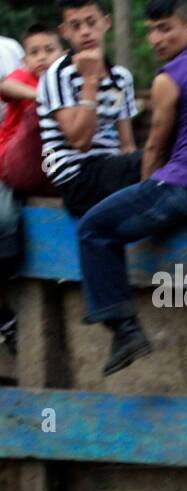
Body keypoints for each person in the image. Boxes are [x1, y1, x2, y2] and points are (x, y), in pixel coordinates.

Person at [75, 0, 187, 376]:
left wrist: (145, 192)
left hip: (185, 188)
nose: (156, 38)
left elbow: (154, 147)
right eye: (151, 30)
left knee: (93, 228)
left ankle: (124, 331)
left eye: (166, 28)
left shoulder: (168, 78)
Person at [37, 0, 140, 219]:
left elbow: (127, 144)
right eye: (75, 26)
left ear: (105, 23)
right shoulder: (56, 76)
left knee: (161, 158)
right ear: (64, 31)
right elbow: (80, 142)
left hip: (112, 170)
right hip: (77, 178)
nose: (85, 32)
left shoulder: (121, 77)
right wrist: (90, 79)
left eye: (91, 22)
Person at [0, 25, 62, 356]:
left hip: (50, 174)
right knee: (5, 220)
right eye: (34, 52)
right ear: (25, 59)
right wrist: (42, 96)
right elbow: (6, 85)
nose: (42, 57)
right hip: (8, 169)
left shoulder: (69, 81)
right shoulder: (25, 80)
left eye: (48, 50)